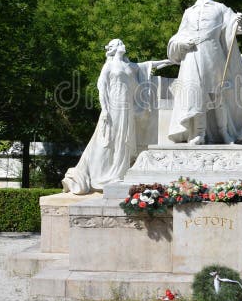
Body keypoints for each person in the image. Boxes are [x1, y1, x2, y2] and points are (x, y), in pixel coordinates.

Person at [61, 39, 171, 194]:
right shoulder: (109, 66)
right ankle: (101, 172)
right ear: (113, 48)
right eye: (120, 43)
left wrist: (169, 61)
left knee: (124, 139)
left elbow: (149, 65)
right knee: (109, 139)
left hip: (127, 108)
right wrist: (105, 109)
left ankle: (119, 172)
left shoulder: (130, 66)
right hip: (113, 107)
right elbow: (102, 88)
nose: (123, 44)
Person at [166, 0, 242, 144]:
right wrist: (183, 42)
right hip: (193, 56)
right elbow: (178, 36)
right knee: (197, 95)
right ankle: (199, 135)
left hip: (214, 55)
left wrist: (238, 22)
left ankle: (224, 133)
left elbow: (235, 29)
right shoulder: (189, 12)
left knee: (218, 95)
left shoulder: (220, 8)